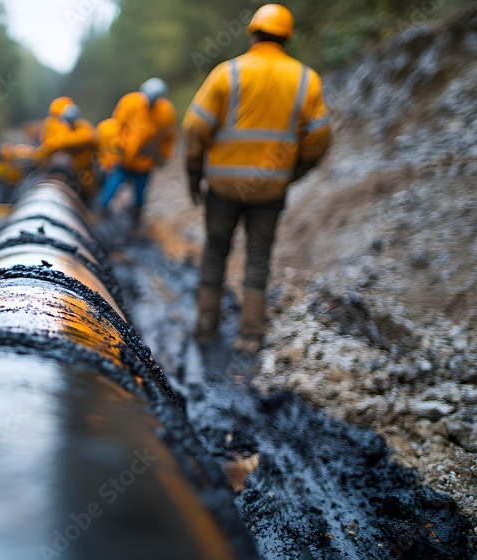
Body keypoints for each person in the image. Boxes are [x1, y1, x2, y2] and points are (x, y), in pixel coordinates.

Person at [183, 4, 332, 353]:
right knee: (258, 257)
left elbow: (194, 128)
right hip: (270, 189)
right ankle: (250, 335)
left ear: (252, 33)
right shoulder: (305, 79)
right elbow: (321, 136)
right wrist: (296, 170)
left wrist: (194, 174)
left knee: (216, 251)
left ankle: (206, 329)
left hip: (222, 187)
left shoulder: (227, 73)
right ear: (287, 38)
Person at [98, 78, 176, 226]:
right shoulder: (129, 102)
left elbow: (169, 137)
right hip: (125, 159)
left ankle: (135, 217)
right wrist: (116, 146)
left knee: (140, 193)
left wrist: (164, 155)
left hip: (144, 161)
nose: (150, 102)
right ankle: (102, 211)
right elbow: (117, 125)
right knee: (112, 185)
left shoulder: (166, 112)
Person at [36, 97, 99, 200]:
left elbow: (88, 137)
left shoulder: (81, 128)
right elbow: (51, 145)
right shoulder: (53, 124)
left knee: (87, 197)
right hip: (73, 171)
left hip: (83, 172)